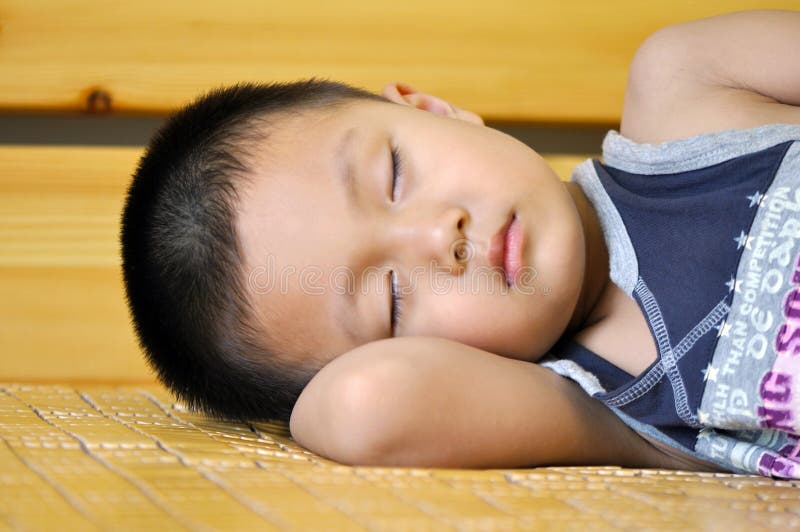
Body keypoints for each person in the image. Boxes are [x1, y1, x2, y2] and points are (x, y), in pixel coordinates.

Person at [120, 9, 800, 478]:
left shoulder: (690, 85)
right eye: (391, 298)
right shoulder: (600, 409)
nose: (436, 237)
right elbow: (365, 407)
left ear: (431, 109)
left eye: (393, 174)